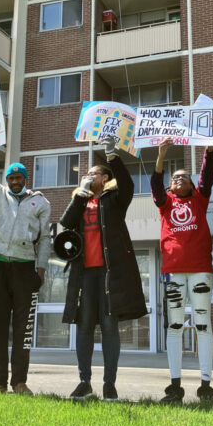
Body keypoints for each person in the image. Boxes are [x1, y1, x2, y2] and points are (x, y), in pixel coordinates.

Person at [0, 120, 51, 395]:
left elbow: (45, 239)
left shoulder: (40, 202)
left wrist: (41, 269)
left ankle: (20, 382)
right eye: (11, 178)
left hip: (26, 270)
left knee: (22, 331)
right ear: (7, 180)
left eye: (19, 178)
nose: (15, 182)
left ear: (26, 179)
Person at [60, 138, 148, 401]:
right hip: (85, 274)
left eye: (93, 173)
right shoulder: (81, 200)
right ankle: (84, 382)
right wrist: (82, 194)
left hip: (109, 274)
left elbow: (127, 182)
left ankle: (109, 384)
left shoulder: (115, 199)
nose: (88, 175)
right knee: (84, 326)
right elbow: (66, 223)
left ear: (106, 178)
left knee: (109, 328)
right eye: (86, 174)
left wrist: (112, 154)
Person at [152, 137, 213, 403]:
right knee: (175, 326)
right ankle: (175, 385)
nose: (180, 179)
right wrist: (161, 156)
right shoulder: (165, 203)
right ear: (170, 185)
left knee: (203, 324)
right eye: (175, 177)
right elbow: (155, 185)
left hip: (201, 270)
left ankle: (205, 385)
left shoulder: (200, 200)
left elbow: (207, 176)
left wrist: (209, 148)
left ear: (192, 184)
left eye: (185, 177)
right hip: (174, 272)